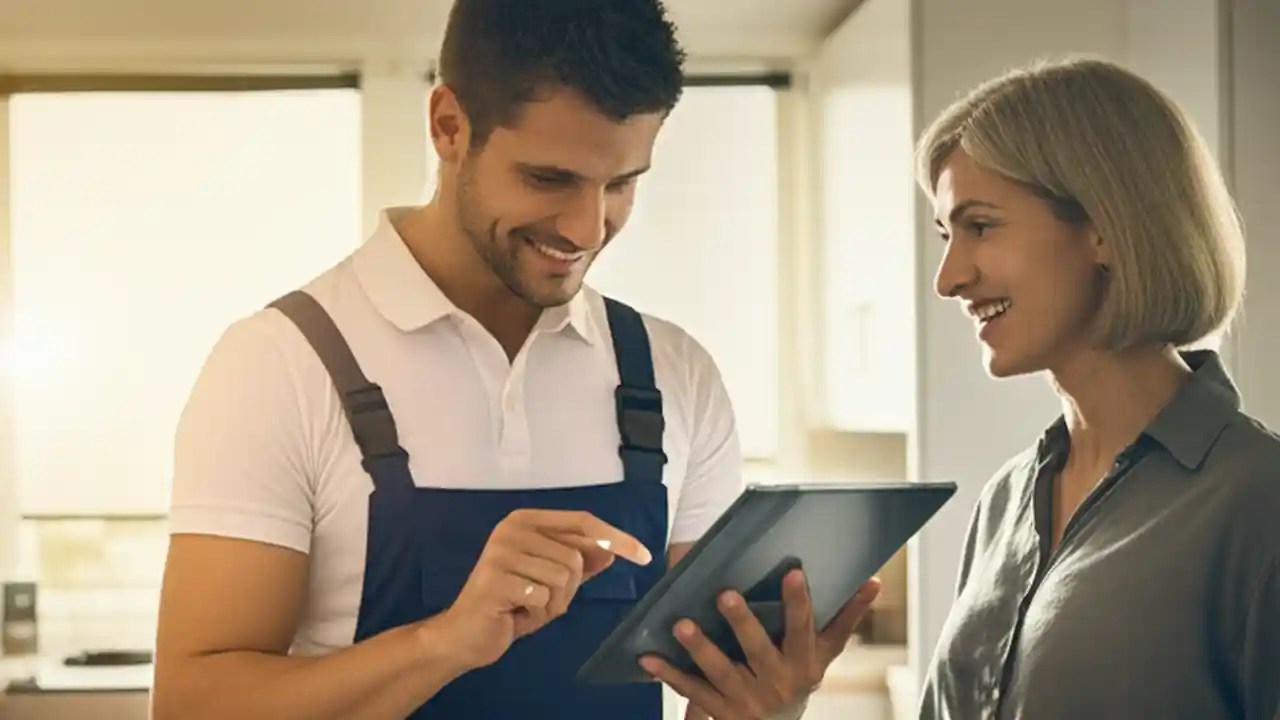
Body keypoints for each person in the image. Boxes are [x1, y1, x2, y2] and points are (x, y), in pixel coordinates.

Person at [151, 1, 878, 719]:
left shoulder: (673, 373)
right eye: (550, 178)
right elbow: (191, 706)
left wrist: (772, 706)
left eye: (622, 183)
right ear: (448, 126)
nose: (587, 228)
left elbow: (710, 697)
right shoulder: (280, 364)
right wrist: (445, 642)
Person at [914, 57, 1280, 719]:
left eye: (981, 226)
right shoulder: (1005, 500)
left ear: (1105, 228)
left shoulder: (1259, 501)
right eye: (946, 234)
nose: (949, 278)